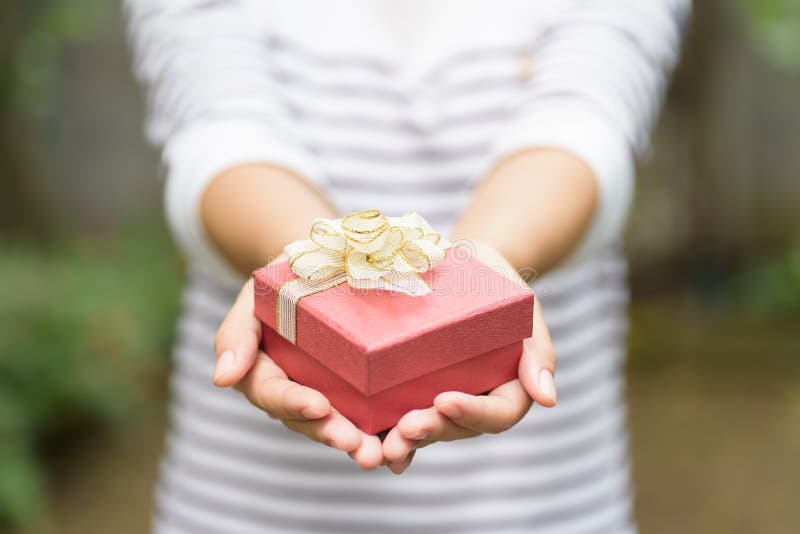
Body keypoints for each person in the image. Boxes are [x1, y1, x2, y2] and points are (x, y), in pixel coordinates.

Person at [126, 1, 689, 532]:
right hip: (248, 504)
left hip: (540, 500)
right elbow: (216, 125)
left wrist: (483, 274)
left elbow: (587, 119)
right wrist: (310, 274)